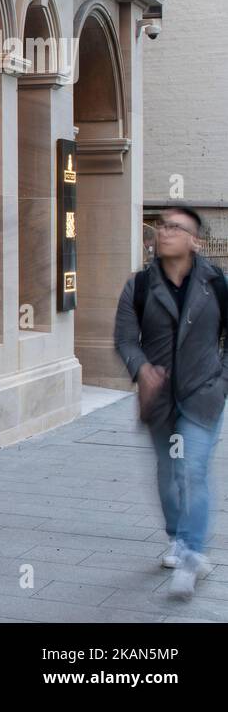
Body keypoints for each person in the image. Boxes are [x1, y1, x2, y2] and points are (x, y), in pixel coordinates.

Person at [114, 206, 228, 599]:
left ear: (195, 240)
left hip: (202, 396)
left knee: (192, 470)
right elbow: (125, 339)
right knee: (167, 475)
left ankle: (192, 553)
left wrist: (222, 380)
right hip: (159, 399)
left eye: (175, 227)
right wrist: (141, 368)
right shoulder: (140, 286)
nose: (165, 232)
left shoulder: (216, 283)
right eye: (162, 225)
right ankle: (177, 537)